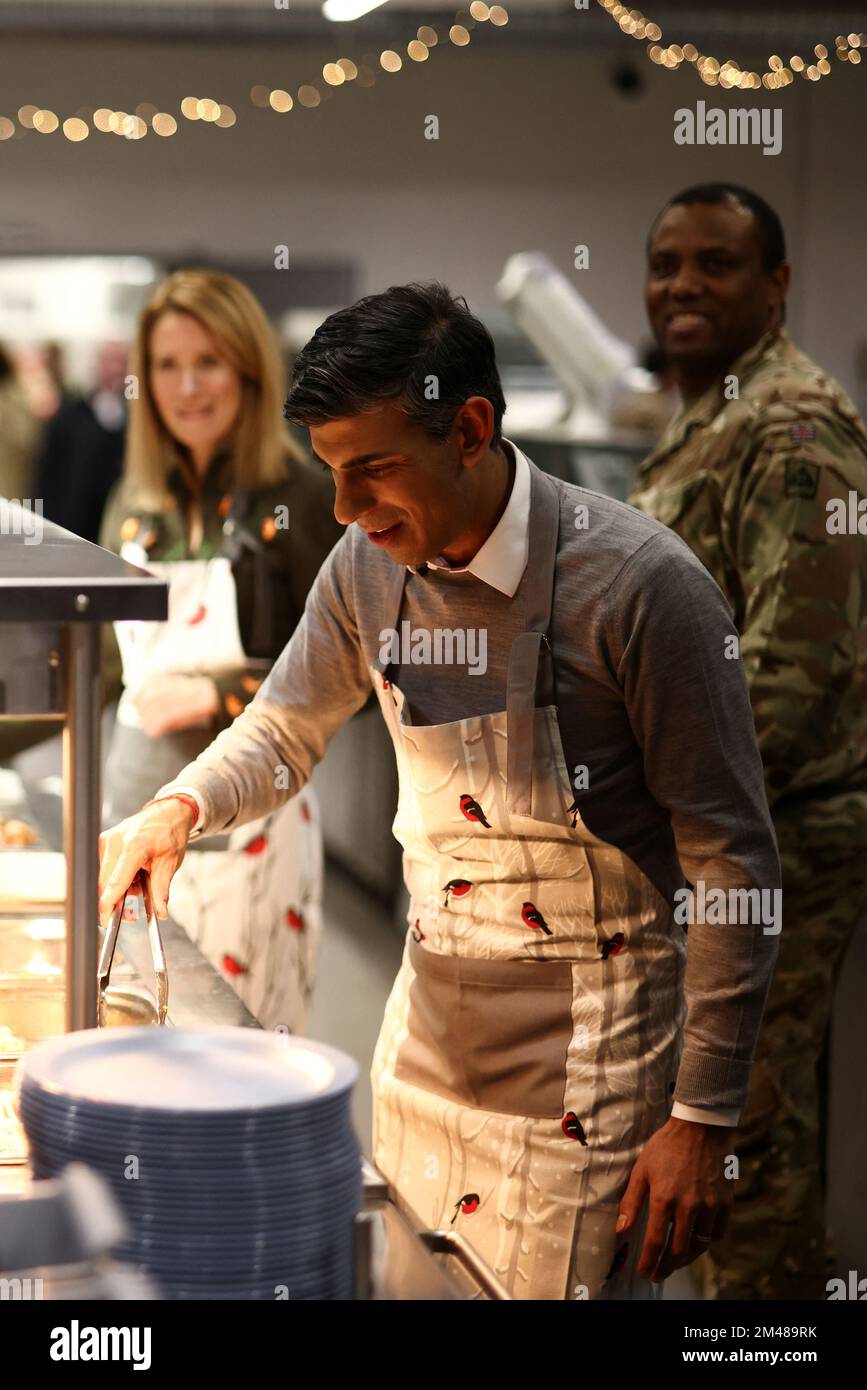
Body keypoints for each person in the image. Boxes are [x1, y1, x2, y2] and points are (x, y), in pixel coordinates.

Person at [99, 281, 781, 1301]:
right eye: (329, 475)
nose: (344, 510)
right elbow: (286, 724)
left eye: (371, 469)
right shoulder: (366, 568)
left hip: (588, 1068)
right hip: (426, 1039)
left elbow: (732, 861)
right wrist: (182, 806)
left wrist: (701, 1116)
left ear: (470, 429)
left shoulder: (642, 588)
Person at [628, 183, 867, 1300]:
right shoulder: (707, 413)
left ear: (775, 285)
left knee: (746, 1143)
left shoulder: (791, 423)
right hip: (718, 835)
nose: (683, 283)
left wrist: (678, 817)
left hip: (774, 842)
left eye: (716, 264)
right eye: (667, 262)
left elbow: (792, 665)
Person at [99, 268, 343, 1032]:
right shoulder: (135, 503)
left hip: (250, 831)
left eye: (207, 363)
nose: (186, 387)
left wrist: (220, 693)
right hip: (135, 808)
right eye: (167, 366)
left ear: (247, 369)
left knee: (235, 1050)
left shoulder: (302, 495)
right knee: (136, 1038)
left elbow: (352, 674)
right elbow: (106, 668)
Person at [36, 340, 129, 543]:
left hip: (119, 527)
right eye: (108, 362)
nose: (114, 369)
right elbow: (49, 477)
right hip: (74, 527)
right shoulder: (70, 417)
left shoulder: (135, 420)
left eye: (120, 362)